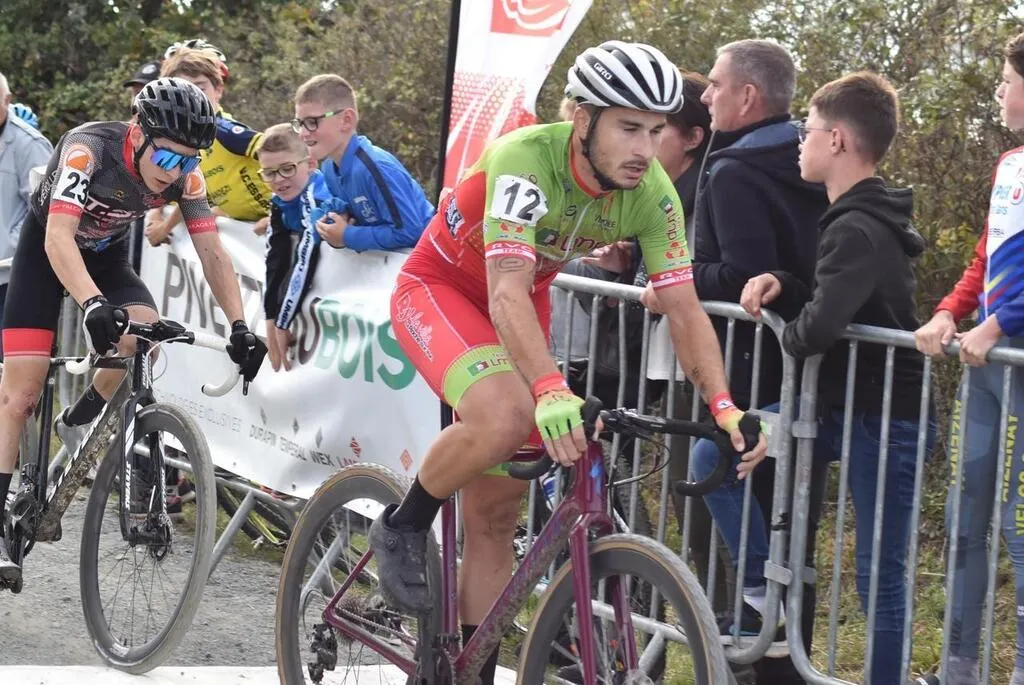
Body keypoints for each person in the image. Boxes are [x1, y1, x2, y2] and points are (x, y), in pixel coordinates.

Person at [368, 41, 769, 685]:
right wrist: (550, 386)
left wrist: (724, 406)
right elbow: (501, 290)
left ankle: (468, 670)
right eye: (629, 127)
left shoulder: (651, 193)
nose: (645, 147)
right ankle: (401, 524)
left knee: (496, 517)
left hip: (523, 302)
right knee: (507, 413)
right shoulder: (529, 159)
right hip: (444, 289)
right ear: (583, 120)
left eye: (657, 130)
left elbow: (686, 311)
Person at [0, 78, 267, 581]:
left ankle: (78, 420)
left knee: (143, 339)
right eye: (169, 160)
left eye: (191, 161)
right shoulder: (89, 150)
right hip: (45, 251)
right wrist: (92, 303)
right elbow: (59, 238)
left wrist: (240, 326)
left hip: (105, 257)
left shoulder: (185, 176)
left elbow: (212, 250)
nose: (178, 173)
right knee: (21, 394)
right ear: (139, 133)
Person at [720, 71, 930, 685]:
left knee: (878, 574)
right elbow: (832, 301)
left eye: (807, 132)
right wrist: (786, 282)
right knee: (722, 445)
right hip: (835, 411)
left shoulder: (859, 227)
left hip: (889, 420)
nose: (799, 145)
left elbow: (815, 331)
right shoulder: (849, 218)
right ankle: (761, 590)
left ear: (836, 140)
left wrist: (789, 320)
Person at [643, 39, 829, 685]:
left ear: (747, 96)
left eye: (716, 85)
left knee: (715, 464)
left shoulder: (735, 170)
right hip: (809, 367)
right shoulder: (811, 152)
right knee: (793, 523)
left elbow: (743, 273)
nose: (708, 95)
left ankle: (755, 603)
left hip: (749, 371)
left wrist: (677, 278)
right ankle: (777, 639)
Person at [915, 29, 1024, 685]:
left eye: (1009, 77)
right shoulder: (1010, 164)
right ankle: (960, 669)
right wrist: (950, 311)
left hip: (1014, 357)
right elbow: (989, 259)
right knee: (968, 513)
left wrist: (1001, 322)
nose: (1001, 89)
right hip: (988, 367)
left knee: (1021, 520)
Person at [293, 74, 434, 252]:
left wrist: (347, 235)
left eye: (312, 122)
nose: (303, 133)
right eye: (299, 123)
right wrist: (324, 222)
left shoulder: (377, 167)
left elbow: (409, 231)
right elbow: (344, 211)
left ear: (346, 120)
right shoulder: (329, 167)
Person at [145, 47, 271, 242]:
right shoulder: (188, 141)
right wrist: (156, 214)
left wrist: (281, 214)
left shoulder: (222, 130)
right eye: (183, 91)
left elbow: (285, 151)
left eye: (200, 88)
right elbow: (187, 191)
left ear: (218, 90)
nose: (193, 98)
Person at [258, 123, 349, 371]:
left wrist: (282, 321)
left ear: (310, 164)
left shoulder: (315, 194)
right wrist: (269, 315)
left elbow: (306, 254)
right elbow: (274, 257)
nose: (278, 180)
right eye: (269, 173)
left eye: (287, 169)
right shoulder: (279, 201)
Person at [0, 74, 53, 331]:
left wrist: (10, 242)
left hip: (10, 278)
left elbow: (46, 210)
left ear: (7, 100)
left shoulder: (30, 145)